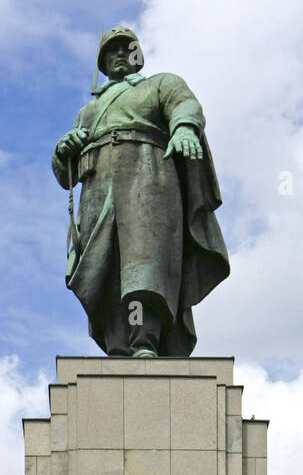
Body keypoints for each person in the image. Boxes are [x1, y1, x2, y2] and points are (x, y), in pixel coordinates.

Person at [52, 26, 229, 357]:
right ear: (103, 62)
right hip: (99, 187)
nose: (120, 54)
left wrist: (185, 128)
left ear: (138, 56)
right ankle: (118, 346)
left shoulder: (161, 83)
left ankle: (144, 341)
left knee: (144, 261)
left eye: (126, 48)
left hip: (148, 176)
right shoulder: (88, 110)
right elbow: (66, 175)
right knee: (107, 267)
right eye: (112, 50)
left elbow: (185, 105)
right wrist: (64, 151)